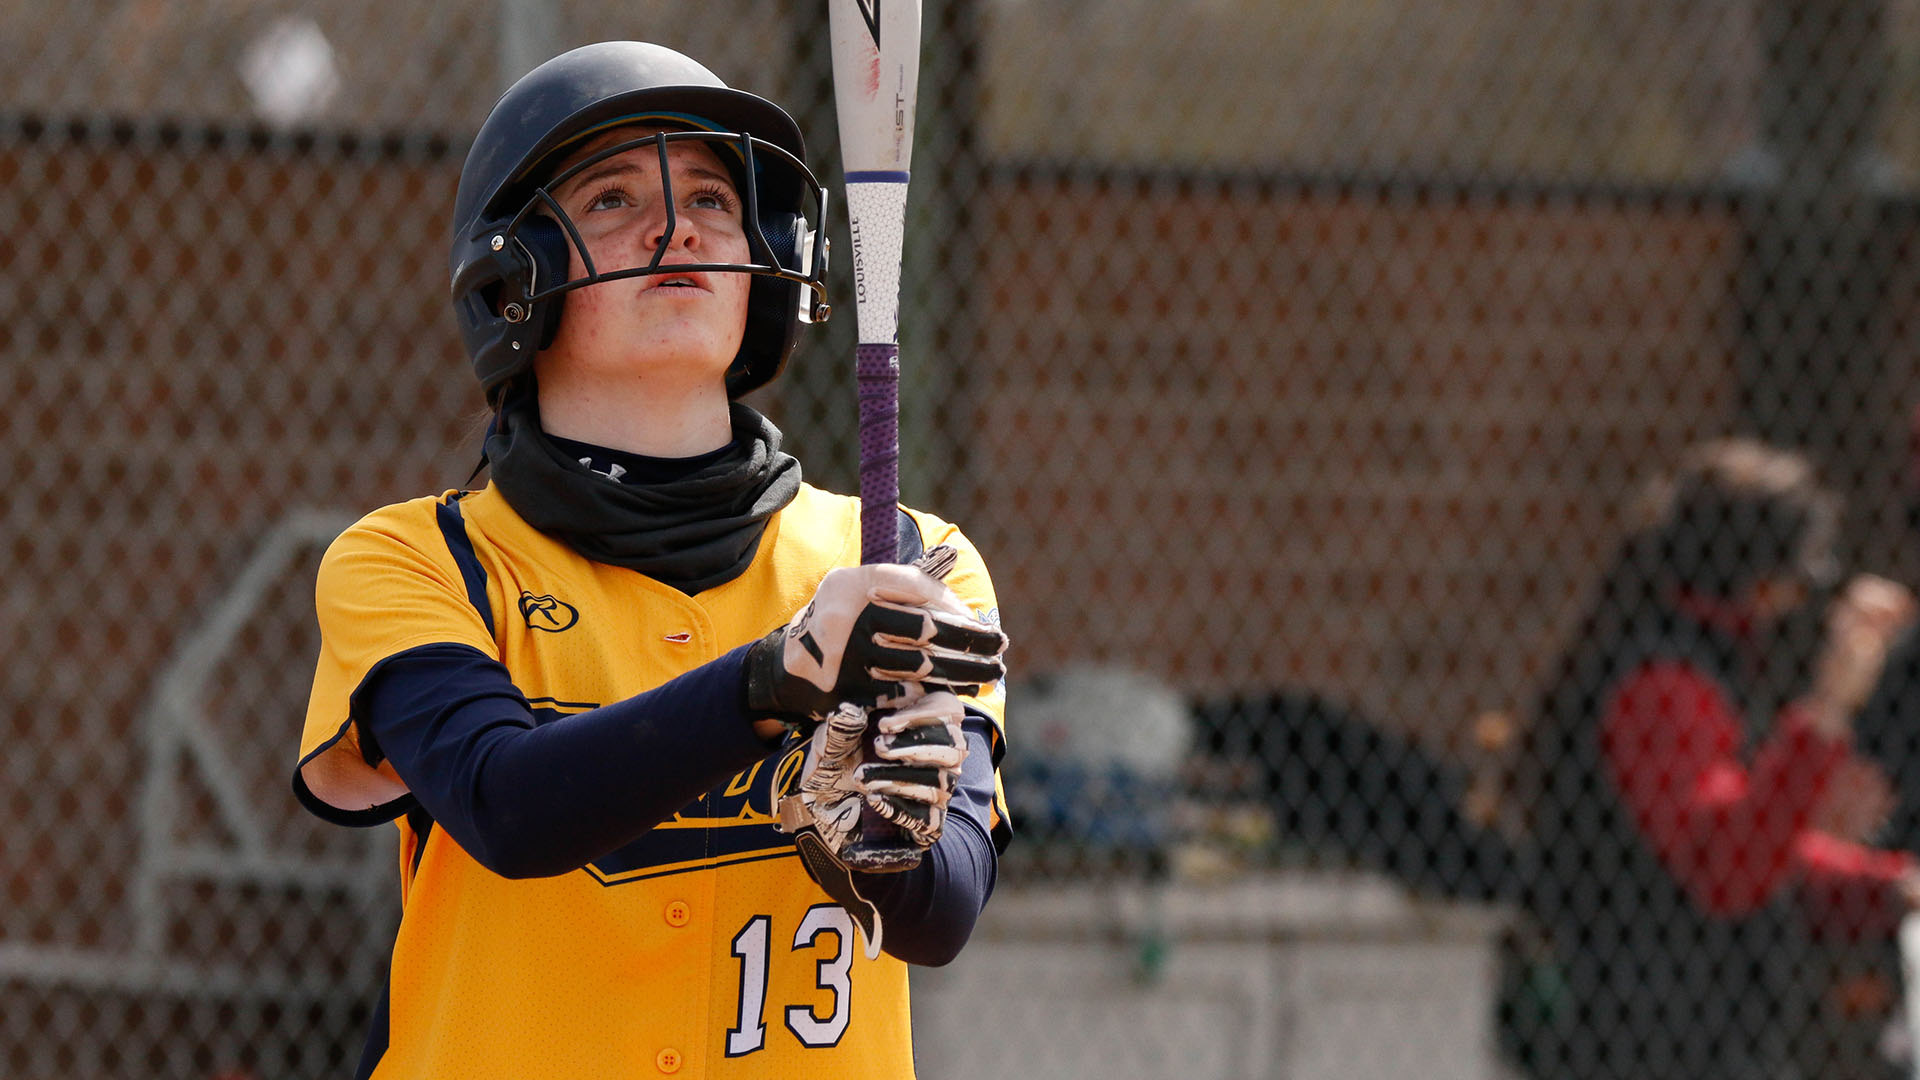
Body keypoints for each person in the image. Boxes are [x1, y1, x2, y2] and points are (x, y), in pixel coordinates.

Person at [289, 41, 1010, 1080]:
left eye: (713, 198)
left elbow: (941, 919)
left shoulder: (906, 561)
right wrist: (777, 682)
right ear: (515, 273)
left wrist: (882, 839)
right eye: (614, 197)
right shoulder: (424, 557)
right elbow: (509, 805)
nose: (676, 228)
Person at [1507, 438, 1920, 1080]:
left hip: (1691, 1036)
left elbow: (1762, 846)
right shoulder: (1662, 685)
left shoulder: (1693, 667)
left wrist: (1887, 886)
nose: (1803, 599)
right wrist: (1829, 708)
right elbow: (1727, 869)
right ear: (1757, 580)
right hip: (1646, 1042)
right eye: (1801, 576)